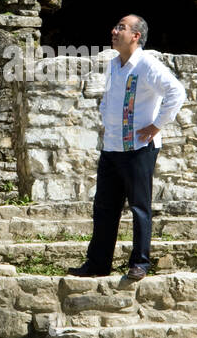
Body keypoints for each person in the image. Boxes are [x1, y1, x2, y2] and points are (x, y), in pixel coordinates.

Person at [68, 15, 185, 283]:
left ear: (136, 36)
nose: (114, 30)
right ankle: (98, 263)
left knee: (139, 207)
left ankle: (140, 263)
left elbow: (176, 92)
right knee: (104, 207)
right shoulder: (113, 65)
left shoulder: (147, 65)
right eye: (115, 26)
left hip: (139, 148)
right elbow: (108, 99)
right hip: (112, 148)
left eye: (121, 27)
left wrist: (157, 126)